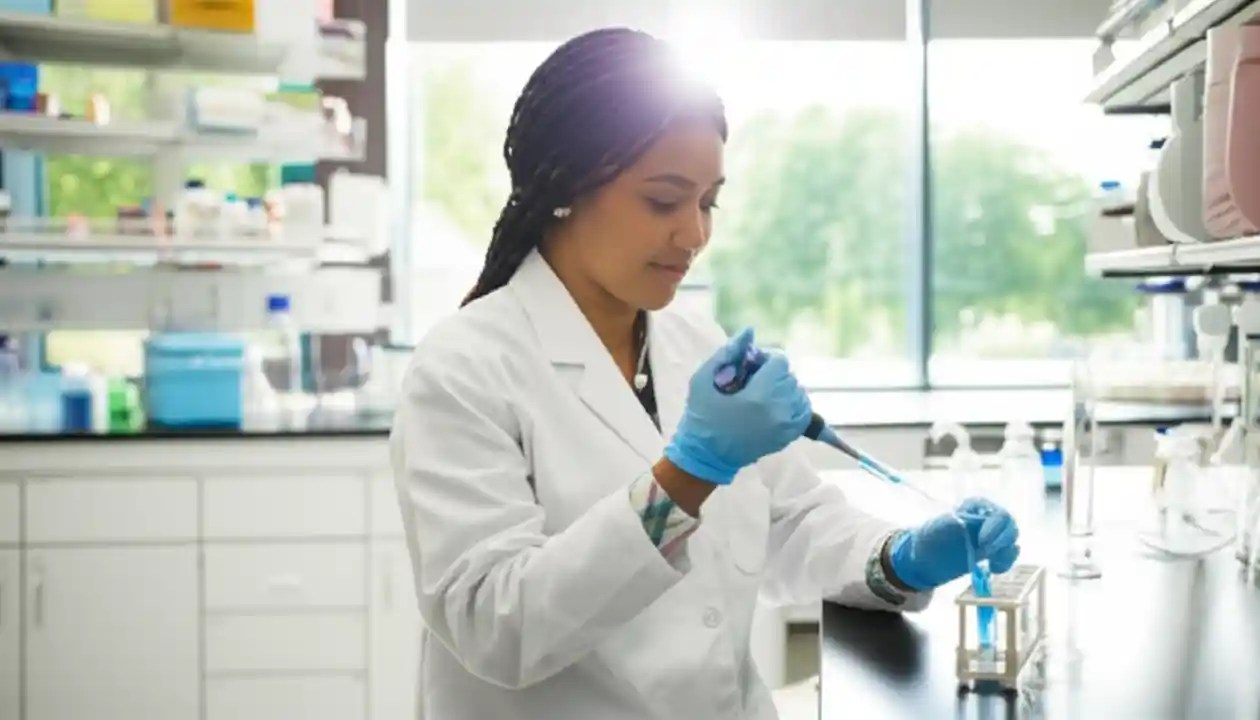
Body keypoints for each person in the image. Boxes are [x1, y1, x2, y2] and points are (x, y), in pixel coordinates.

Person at [390, 27, 1020, 720]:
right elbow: (494, 625)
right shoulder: (463, 369)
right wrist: (688, 473)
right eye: (664, 200)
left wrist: (898, 557)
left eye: (708, 202)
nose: (694, 235)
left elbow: (793, 518)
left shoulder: (694, 342)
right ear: (566, 184)